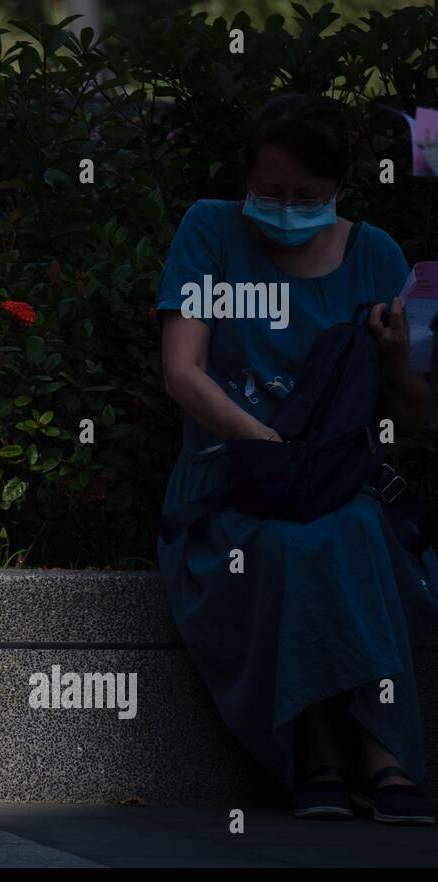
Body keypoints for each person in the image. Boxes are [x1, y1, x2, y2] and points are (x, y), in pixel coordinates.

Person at [156, 93, 438, 824]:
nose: (285, 209)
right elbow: (182, 370)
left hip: (339, 485)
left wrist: (399, 360)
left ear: (337, 188)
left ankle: (363, 748)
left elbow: (411, 414)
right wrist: (265, 442)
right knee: (295, 539)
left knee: (343, 528)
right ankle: (329, 746)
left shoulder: (374, 253)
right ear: (247, 180)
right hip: (232, 488)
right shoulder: (209, 231)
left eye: (305, 196)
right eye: (271, 193)